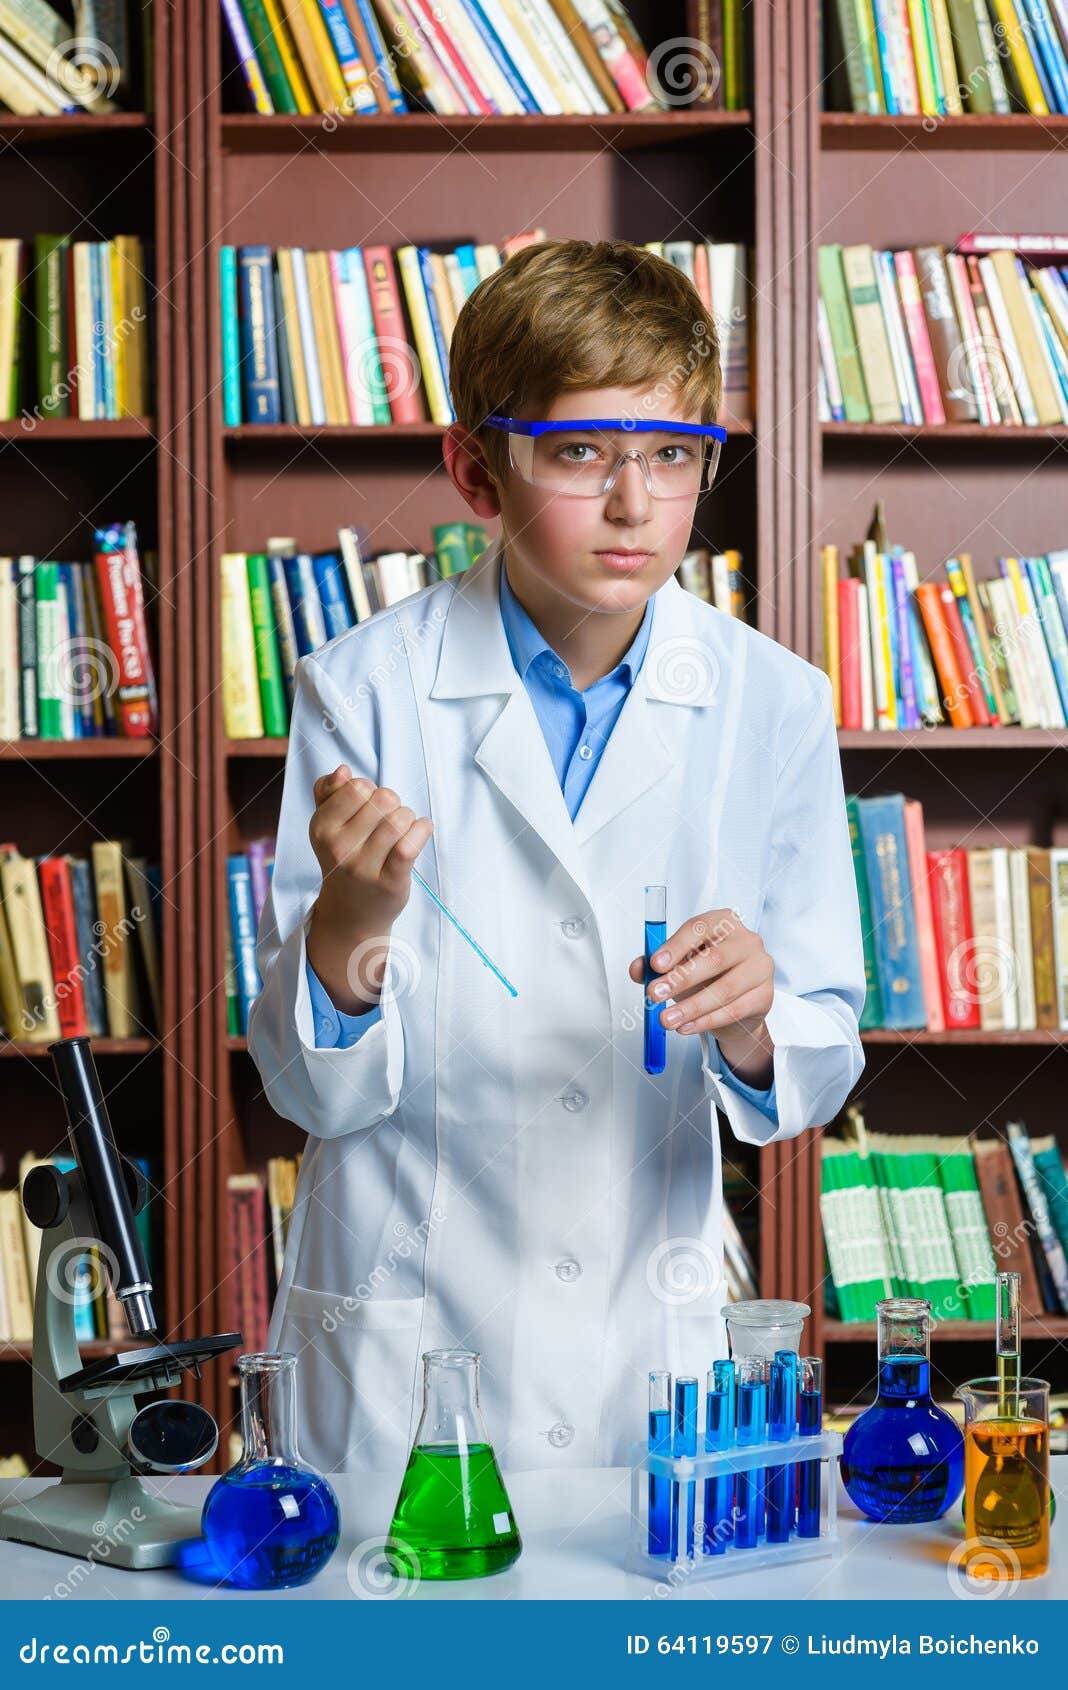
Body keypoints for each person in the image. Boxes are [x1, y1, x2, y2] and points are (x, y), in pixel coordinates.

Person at [247, 237, 865, 1481]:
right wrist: (349, 928)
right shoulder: (364, 688)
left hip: (645, 1340)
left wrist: (756, 1024)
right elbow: (311, 1094)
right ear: (477, 470)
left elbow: (817, 1058)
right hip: (406, 1343)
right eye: (580, 451)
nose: (635, 503)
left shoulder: (776, 702)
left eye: (672, 454)